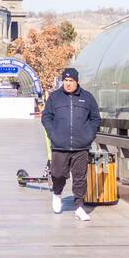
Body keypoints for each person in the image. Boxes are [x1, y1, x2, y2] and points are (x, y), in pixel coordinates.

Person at [41, 67, 102, 221]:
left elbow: (95, 118)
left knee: (80, 177)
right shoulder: (55, 97)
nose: (68, 84)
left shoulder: (87, 98)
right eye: (66, 81)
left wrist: (89, 135)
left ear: (77, 82)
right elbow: (46, 117)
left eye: (71, 81)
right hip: (59, 145)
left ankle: (79, 207)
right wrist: (52, 134)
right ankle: (57, 193)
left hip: (81, 146)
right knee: (58, 174)